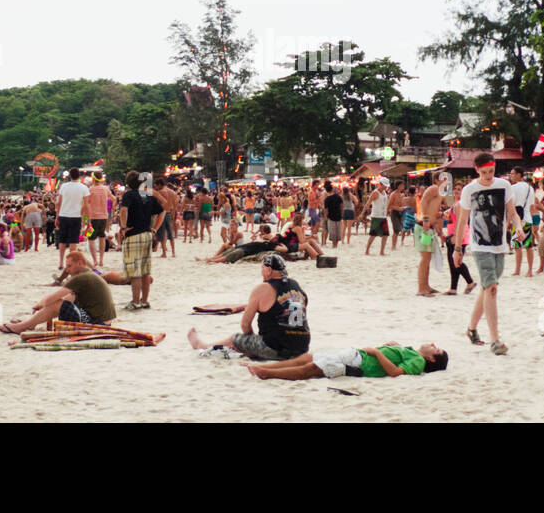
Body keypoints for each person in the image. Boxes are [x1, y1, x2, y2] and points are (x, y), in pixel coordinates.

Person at [456, 152, 523, 355]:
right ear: (477, 170)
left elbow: (511, 212)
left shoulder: (504, 186)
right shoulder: (470, 190)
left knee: (486, 288)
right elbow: (462, 220)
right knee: (492, 288)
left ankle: (471, 328)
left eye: (491, 171)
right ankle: (496, 340)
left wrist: (518, 227)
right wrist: (458, 248)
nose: (488, 175)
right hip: (479, 245)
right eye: (484, 172)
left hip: (499, 245)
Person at [187, 253, 309, 360]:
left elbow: (245, 324)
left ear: (268, 270)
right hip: (301, 349)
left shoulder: (263, 288)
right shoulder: (295, 285)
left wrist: (251, 343)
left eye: (262, 268)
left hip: (276, 349)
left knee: (235, 339)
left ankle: (201, 345)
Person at [0, 252, 116, 333]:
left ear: (80, 263)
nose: (67, 270)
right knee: (58, 305)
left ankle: (22, 326)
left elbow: (51, 299)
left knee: (54, 303)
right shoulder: (88, 275)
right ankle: (30, 323)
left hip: (97, 323)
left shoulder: (81, 278)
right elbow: (68, 299)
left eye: (70, 266)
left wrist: (38, 305)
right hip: (103, 321)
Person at [247, 342, 448, 380]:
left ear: (431, 358)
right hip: (358, 356)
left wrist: (378, 353)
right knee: (308, 358)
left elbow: (395, 372)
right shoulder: (412, 352)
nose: (432, 343)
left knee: (312, 368)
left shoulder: (419, 362)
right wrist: (392, 346)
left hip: (359, 363)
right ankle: (268, 368)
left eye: (435, 348)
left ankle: (267, 373)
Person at [117, 170, 163, 310]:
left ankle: (135, 301)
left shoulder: (129, 195)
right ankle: (144, 301)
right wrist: (154, 228)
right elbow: (162, 211)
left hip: (133, 234)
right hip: (147, 234)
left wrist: (124, 227)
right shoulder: (147, 195)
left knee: (134, 270)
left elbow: (124, 210)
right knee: (145, 270)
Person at [55, 168, 90, 271]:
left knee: (62, 240)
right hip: (76, 216)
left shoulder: (64, 186)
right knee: (73, 241)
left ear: (70, 176)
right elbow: (86, 205)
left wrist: (57, 216)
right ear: (79, 176)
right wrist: (86, 219)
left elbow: (59, 203)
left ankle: (61, 262)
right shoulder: (83, 188)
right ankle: (70, 264)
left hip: (63, 215)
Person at [415, 172, 442, 296]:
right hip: (424, 227)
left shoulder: (438, 190)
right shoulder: (434, 188)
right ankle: (421, 288)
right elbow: (423, 202)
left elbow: (430, 206)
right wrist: (426, 219)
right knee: (425, 258)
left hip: (428, 228)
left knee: (428, 257)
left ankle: (426, 285)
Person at [507, 168, 536, 277]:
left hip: (517, 220)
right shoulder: (530, 188)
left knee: (517, 246)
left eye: (513, 173)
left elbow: (510, 206)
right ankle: (529, 270)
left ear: (519, 175)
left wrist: (508, 220)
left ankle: (517, 270)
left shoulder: (512, 188)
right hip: (528, 218)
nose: (511, 175)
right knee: (528, 246)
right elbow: (532, 206)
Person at [85, 173, 112, 262]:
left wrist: (85, 219)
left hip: (93, 217)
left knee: (90, 238)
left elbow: (86, 205)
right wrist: (111, 210)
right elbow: (114, 199)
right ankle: (101, 259)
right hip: (104, 216)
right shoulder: (105, 189)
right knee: (102, 237)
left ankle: (95, 260)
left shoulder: (90, 189)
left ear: (93, 178)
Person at [151, 178, 178, 259]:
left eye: (156, 185)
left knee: (162, 234)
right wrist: (173, 215)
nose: (155, 187)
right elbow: (175, 205)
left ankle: (164, 253)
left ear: (159, 184)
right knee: (170, 234)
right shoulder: (173, 192)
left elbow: (157, 206)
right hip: (170, 213)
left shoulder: (160, 192)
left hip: (162, 214)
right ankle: (173, 252)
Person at [365, 179, 390, 255]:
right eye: (384, 185)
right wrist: (363, 214)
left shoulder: (384, 192)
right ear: (380, 184)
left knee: (385, 235)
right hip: (376, 216)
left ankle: (382, 251)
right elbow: (368, 203)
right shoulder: (375, 193)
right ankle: (367, 250)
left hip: (383, 216)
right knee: (373, 235)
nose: (386, 187)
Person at [322, 182, 344, 248]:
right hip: (338, 215)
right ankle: (336, 245)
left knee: (333, 232)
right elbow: (342, 206)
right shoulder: (338, 197)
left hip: (331, 217)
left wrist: (326, 217)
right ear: (332, 189)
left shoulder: (327, 199)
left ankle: (334, 245)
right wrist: (342, 214)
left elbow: (326, 209)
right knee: (338, 232)